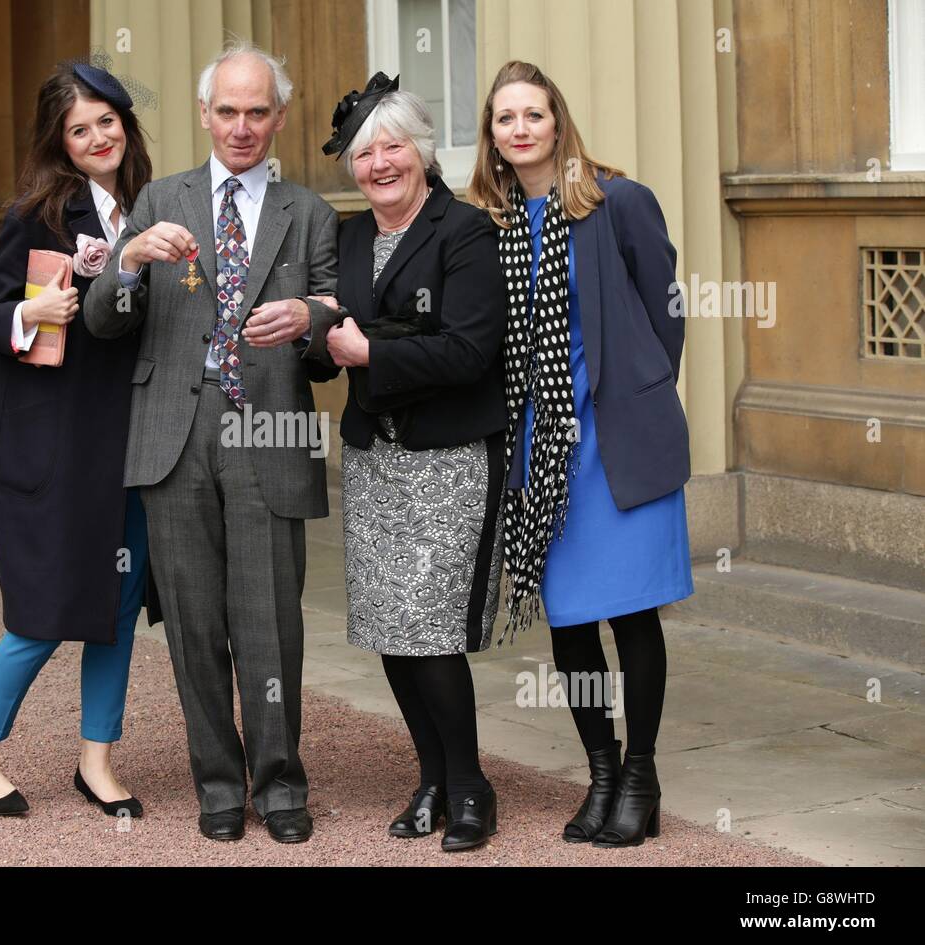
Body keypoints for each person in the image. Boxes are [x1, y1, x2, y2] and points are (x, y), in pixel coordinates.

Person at [84, 42, 340, 844]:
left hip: (268, 427)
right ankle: (220, 786)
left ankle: (282, 785)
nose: (241, 126)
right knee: (195, 622)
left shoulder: (313, 212)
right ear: (204, 115)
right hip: (174, 432)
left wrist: (312, 320)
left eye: (257, 111)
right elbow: (100, 321)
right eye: (227, 111)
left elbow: (333, 340)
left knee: (270, 622)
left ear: (279, 117)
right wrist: (126, 261)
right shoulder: (162, 195)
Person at [469, 60, 693, 847]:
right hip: (540, 447)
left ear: (558, 122)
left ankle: (642, 774)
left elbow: (666, 312)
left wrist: (637, 389)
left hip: (618, 438)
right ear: (492, 135)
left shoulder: (616, 199)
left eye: (534, 114)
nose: (521, 128)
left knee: (631, 611)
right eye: (506, 118)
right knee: (569, 619)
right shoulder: (487, 223)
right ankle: (599, 772)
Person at [305, 74, 509, 852]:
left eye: (392, 146)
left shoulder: (465, 231)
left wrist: (368, 348)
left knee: (430, 629)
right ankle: (429, 777)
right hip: (375, 459)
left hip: (449, 459)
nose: (379, 163)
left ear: (421, 151)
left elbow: (467, 350)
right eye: (364, 153)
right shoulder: (350, 238)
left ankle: (469, 788)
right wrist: (313, 342)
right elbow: (330, 340)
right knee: (390, 628)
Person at [0, 63, 158, 818]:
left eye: (107, 120)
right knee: (42, 611)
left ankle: (97, 761)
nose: (97, 136)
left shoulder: (152, 208)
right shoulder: (38, 214)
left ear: (124, 124)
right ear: (61, 143)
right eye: (80, 128)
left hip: (134, 448)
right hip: (57, 450)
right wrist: (33, 314)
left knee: (116, 606)